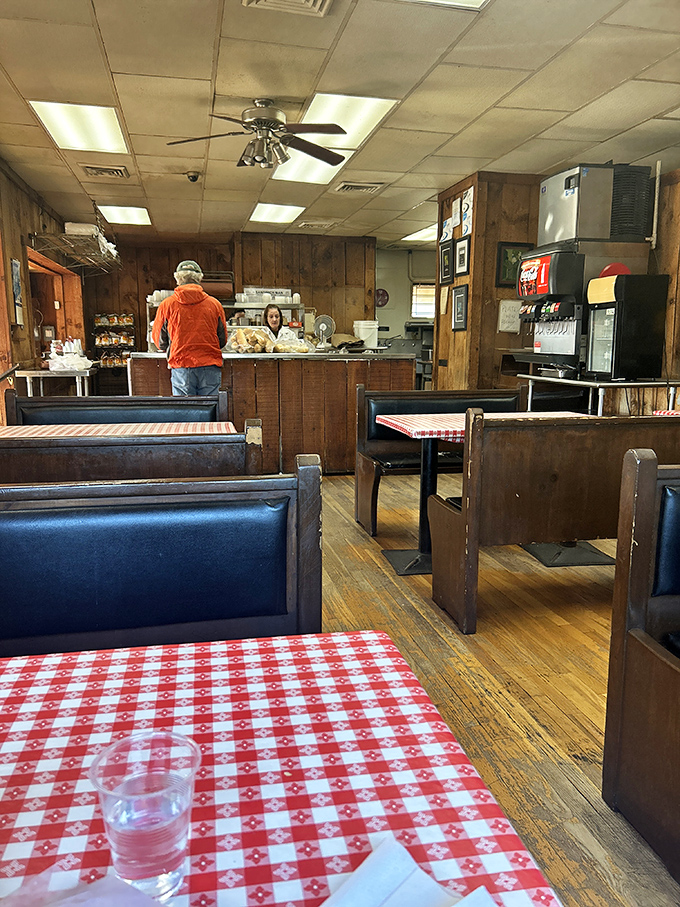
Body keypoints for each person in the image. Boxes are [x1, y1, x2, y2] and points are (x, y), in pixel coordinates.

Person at [152, 260, 227, 396]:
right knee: (210, 411)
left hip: (182, 366)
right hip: (209, 366)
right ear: (199, 278)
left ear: (178, 279)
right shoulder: (215, 305)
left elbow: (159, 341)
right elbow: (222, 340)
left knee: (185, 412)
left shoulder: (166, 305)